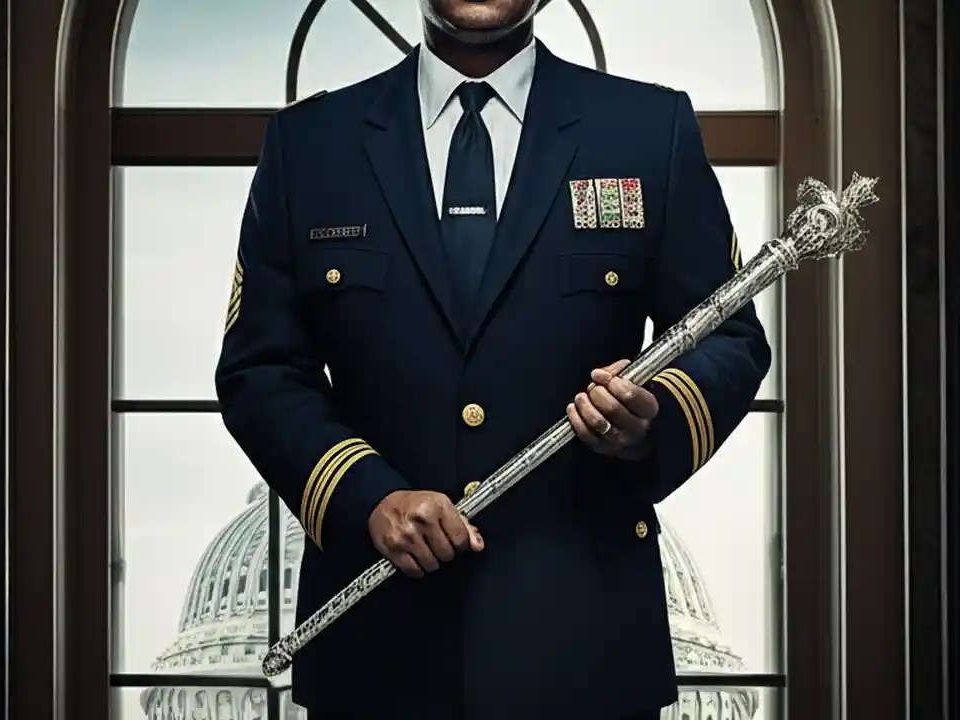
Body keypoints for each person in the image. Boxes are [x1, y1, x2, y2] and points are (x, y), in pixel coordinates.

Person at [215, 1, 770, 717]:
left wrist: (652, 417)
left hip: (584, 654)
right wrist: (368, 499)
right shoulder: (309, 145)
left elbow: (730, 336)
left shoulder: (645, 131)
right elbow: (260, 371)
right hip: (376, 660)